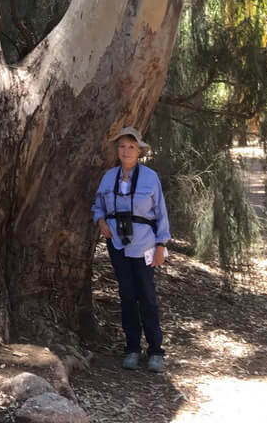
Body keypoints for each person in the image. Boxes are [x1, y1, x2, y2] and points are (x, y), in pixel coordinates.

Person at [92, 125, 171, 372]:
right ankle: (132, 348)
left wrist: (161, 245)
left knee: (147, 296)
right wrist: (102, 221)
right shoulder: (108, 178)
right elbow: (98, 206)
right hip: (117, 244)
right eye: (122, 146)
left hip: (145, 244)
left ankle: (156, 350)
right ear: (117, 150)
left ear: (139, 151)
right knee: (127, 296)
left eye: (131, 146)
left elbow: (161, 213)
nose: (126, 151)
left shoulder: (150, 178)